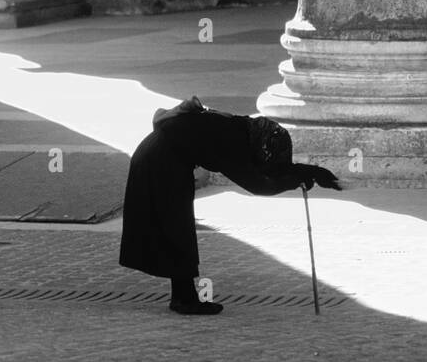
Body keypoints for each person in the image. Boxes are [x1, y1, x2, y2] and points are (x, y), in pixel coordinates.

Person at [119, 96, 340, 315]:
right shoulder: (231, 141)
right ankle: (184, 299)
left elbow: (264, 171)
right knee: (177, 227)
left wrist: (308, 172)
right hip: (159, 163)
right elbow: (258, 185)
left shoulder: (239, 129)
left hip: (157, 157)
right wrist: (298, 178)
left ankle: (182, 296)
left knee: (177, 227)